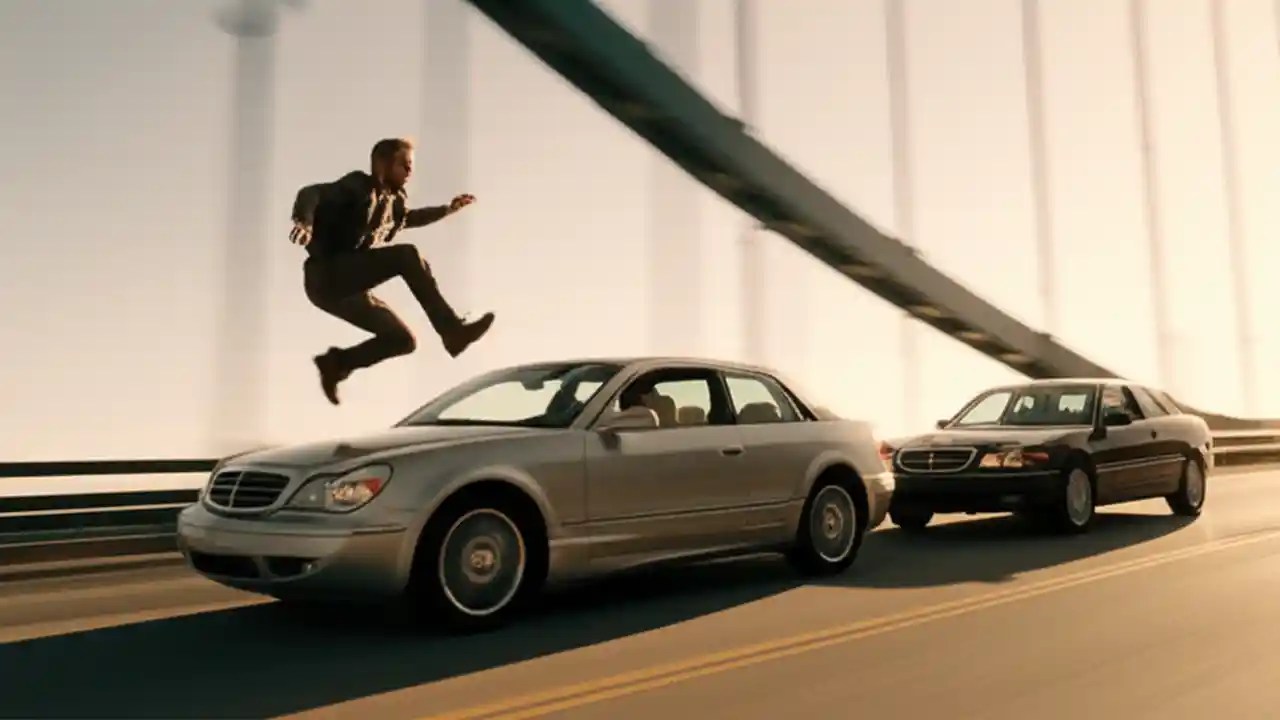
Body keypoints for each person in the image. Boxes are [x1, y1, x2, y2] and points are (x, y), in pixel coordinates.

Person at [288, 137, 494, 405]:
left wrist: (447, 210)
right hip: (327, 275)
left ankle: (336, 364)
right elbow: (312, 193)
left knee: (403, 340)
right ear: (383, 165)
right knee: (406, 256)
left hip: (349, 287)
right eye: (404, 165)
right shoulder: (358, 186)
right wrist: (304, 222)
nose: (410, 172)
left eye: (411, 166)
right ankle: (451, 330)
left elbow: (410, 219)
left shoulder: (395, 203)